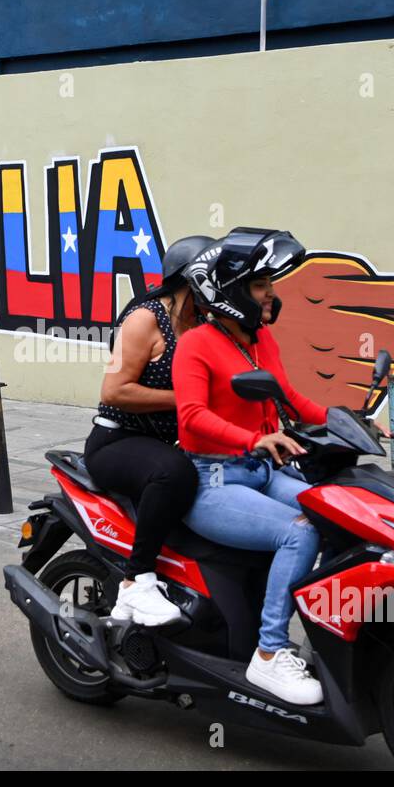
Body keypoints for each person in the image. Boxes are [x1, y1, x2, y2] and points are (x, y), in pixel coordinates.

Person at [173, 228, 332, 704]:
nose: (271, 296)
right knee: (300, 531)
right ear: (232, 292)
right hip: (212, 480)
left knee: (338, 514)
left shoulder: (260, 340)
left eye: (270, 286)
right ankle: (269, 654)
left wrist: (349, 423)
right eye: (262, 286)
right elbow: (192, 418)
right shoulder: (197, 344)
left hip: (262, 471)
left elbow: (291, 398)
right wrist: (255, 438)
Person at [85, 235, 212, 626]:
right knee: (174, 473)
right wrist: (186, 400)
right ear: (189, 280)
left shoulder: (204, 322)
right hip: (116, 440)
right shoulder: (145, 319)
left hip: (165, 441)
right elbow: (115, 390)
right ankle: (135, 580)